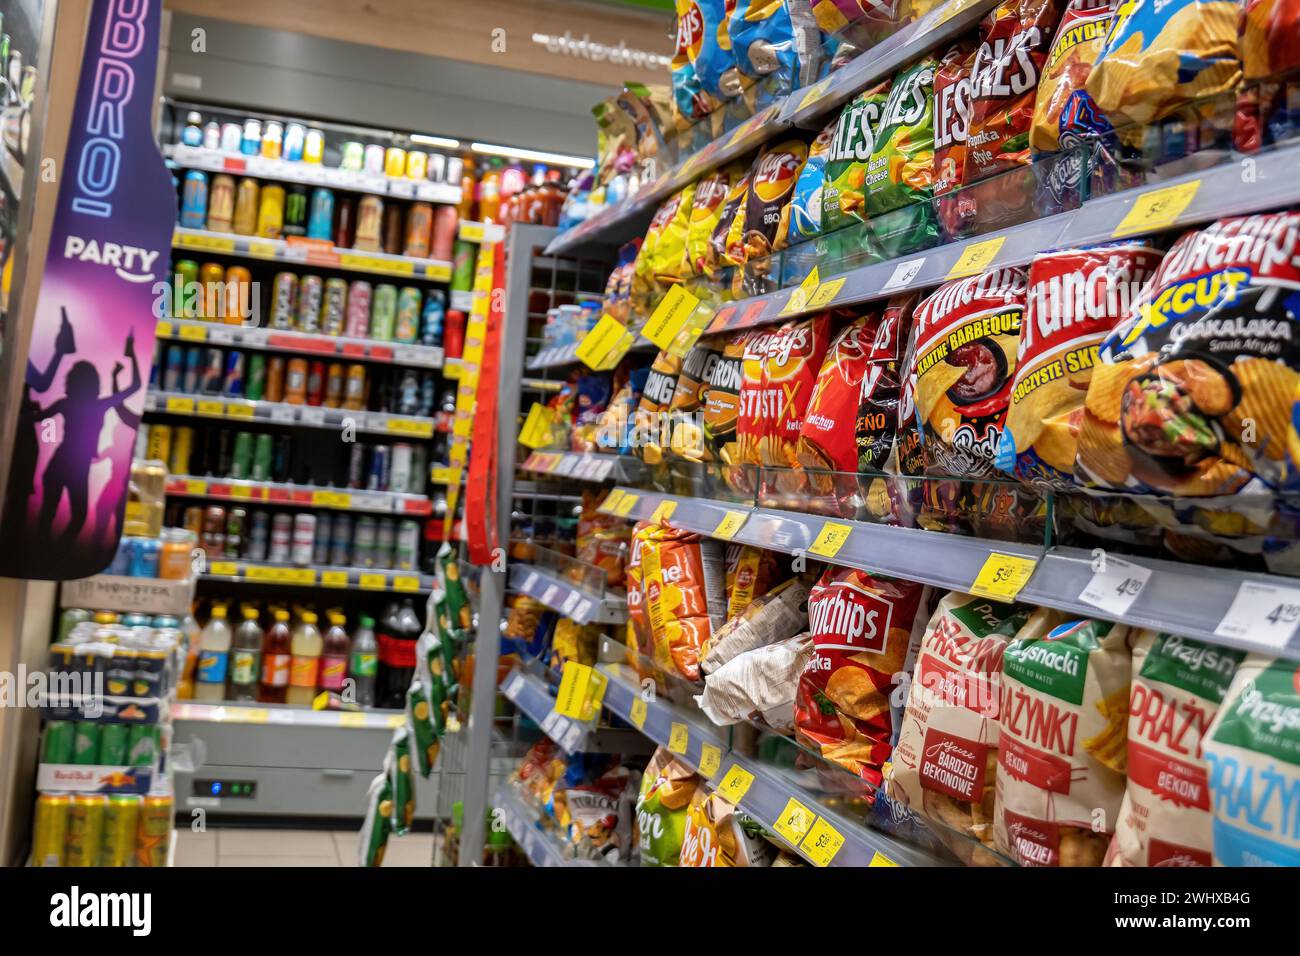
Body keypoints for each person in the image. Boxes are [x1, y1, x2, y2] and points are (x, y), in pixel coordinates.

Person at [33, 328, 141, 550]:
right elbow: (135, 386)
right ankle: (56, 552)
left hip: (59, 461)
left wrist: (31, 417)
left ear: (70, 381)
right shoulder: (98, 405)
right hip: (77, 467)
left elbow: (39, 418)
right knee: (78, 517)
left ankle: (43, 551)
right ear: (94, 383)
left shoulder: (65, 402)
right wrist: (132, 357)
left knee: (48, 514)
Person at [0, 310, 75, 541]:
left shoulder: (16, 352)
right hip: (18, 431)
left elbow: (41, 384)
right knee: (18, 497)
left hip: (22, 436)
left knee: (19, 495)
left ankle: (11, 550)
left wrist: (60, 352)